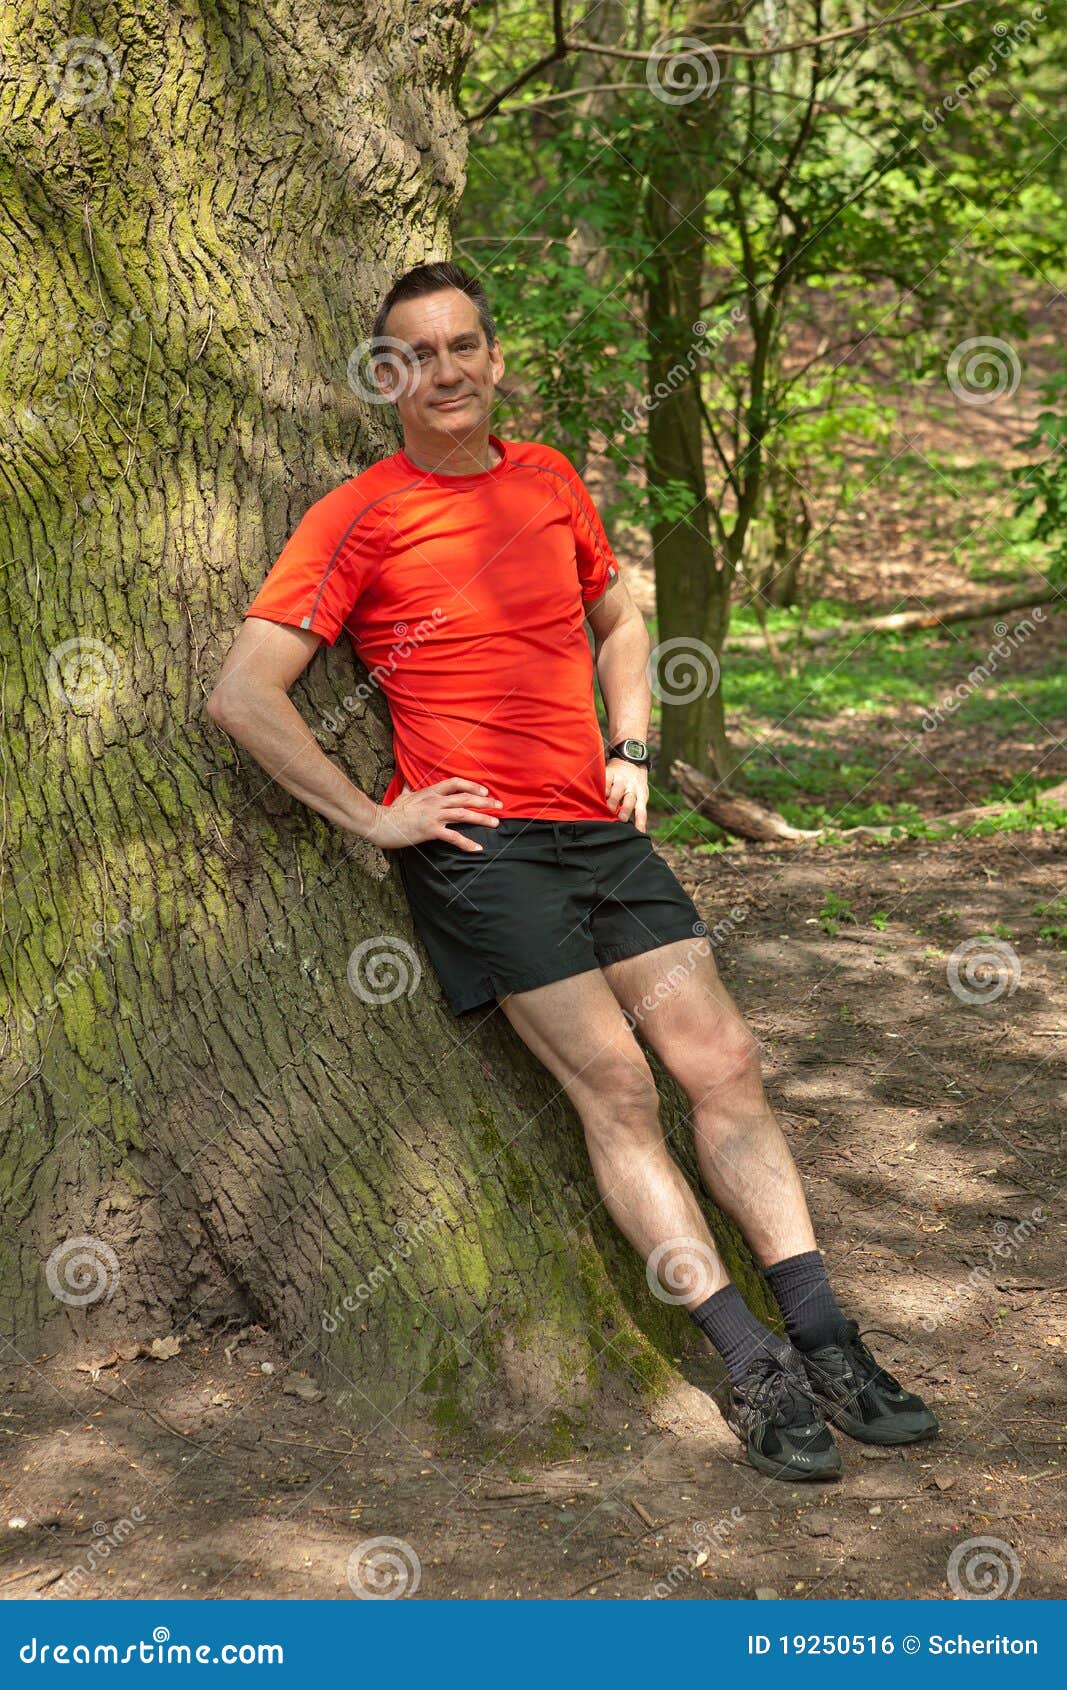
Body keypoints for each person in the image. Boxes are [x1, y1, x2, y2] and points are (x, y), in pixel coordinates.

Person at [206, 260, 938, 1481]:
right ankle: (749, 1366)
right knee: (616, 1088)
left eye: (461, 348)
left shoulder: (547, 480)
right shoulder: (358, 514)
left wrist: (633, 741)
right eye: (415, 355)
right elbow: (242, 692)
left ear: (493, 361)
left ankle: (825, 1338)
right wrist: (369, 818)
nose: (442, 371)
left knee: (726, 1064)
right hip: (482, 851)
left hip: (600, 832)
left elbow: (619, 614)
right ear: (386, 377)